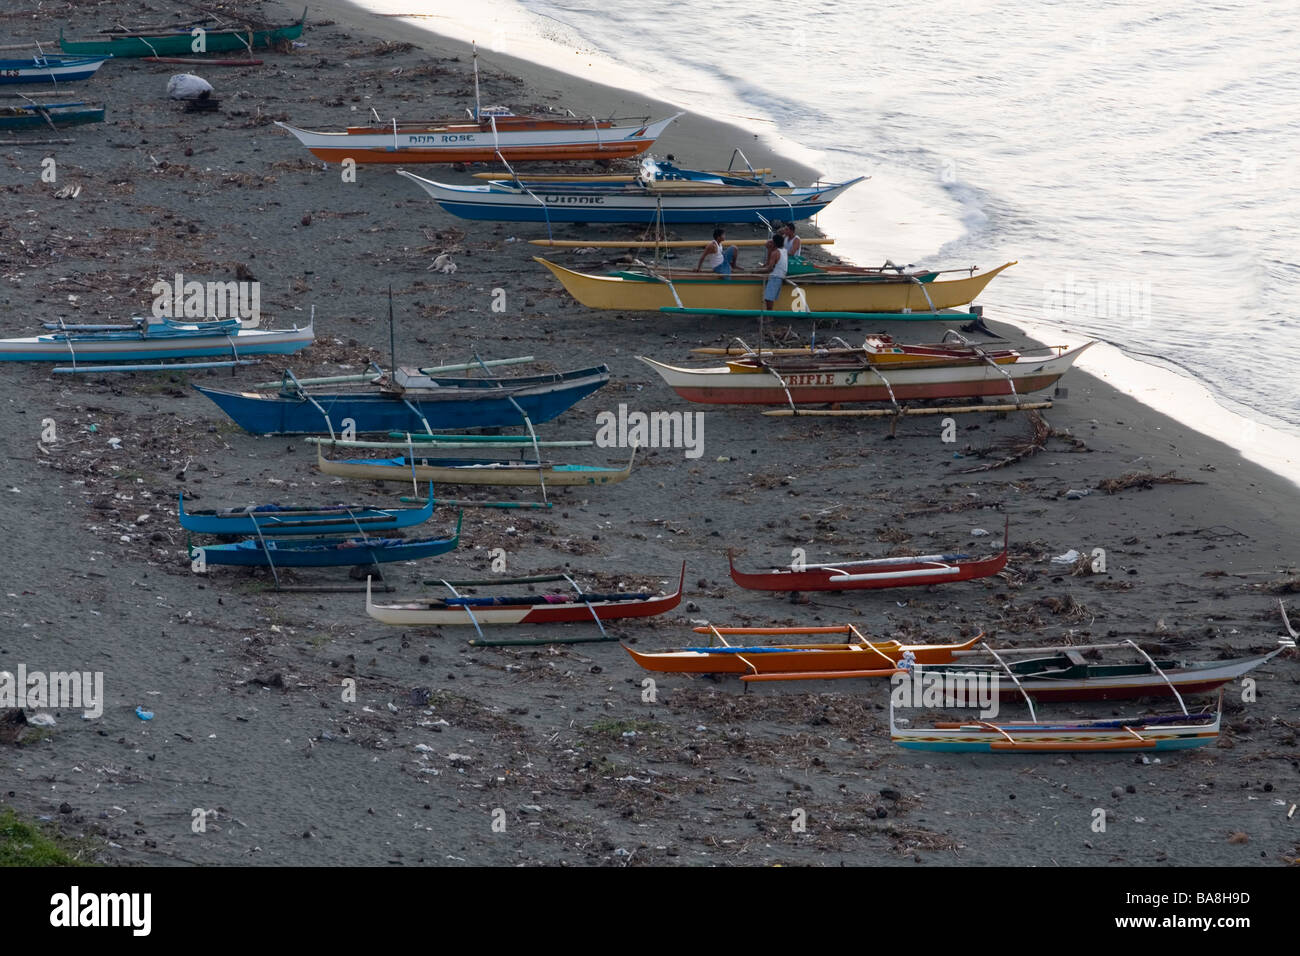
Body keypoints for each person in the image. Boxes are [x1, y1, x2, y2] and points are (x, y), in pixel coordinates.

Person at [758, 233, 787, 310]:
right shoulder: (784, 250)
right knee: (769, 298)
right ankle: (769, 316)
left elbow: (769, 268)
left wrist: (757, 271)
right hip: (780, 276)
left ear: (774, 243)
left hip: (775, 277)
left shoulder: (775, 253)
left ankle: (769, 317)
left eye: (772, 242)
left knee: (768, 298)